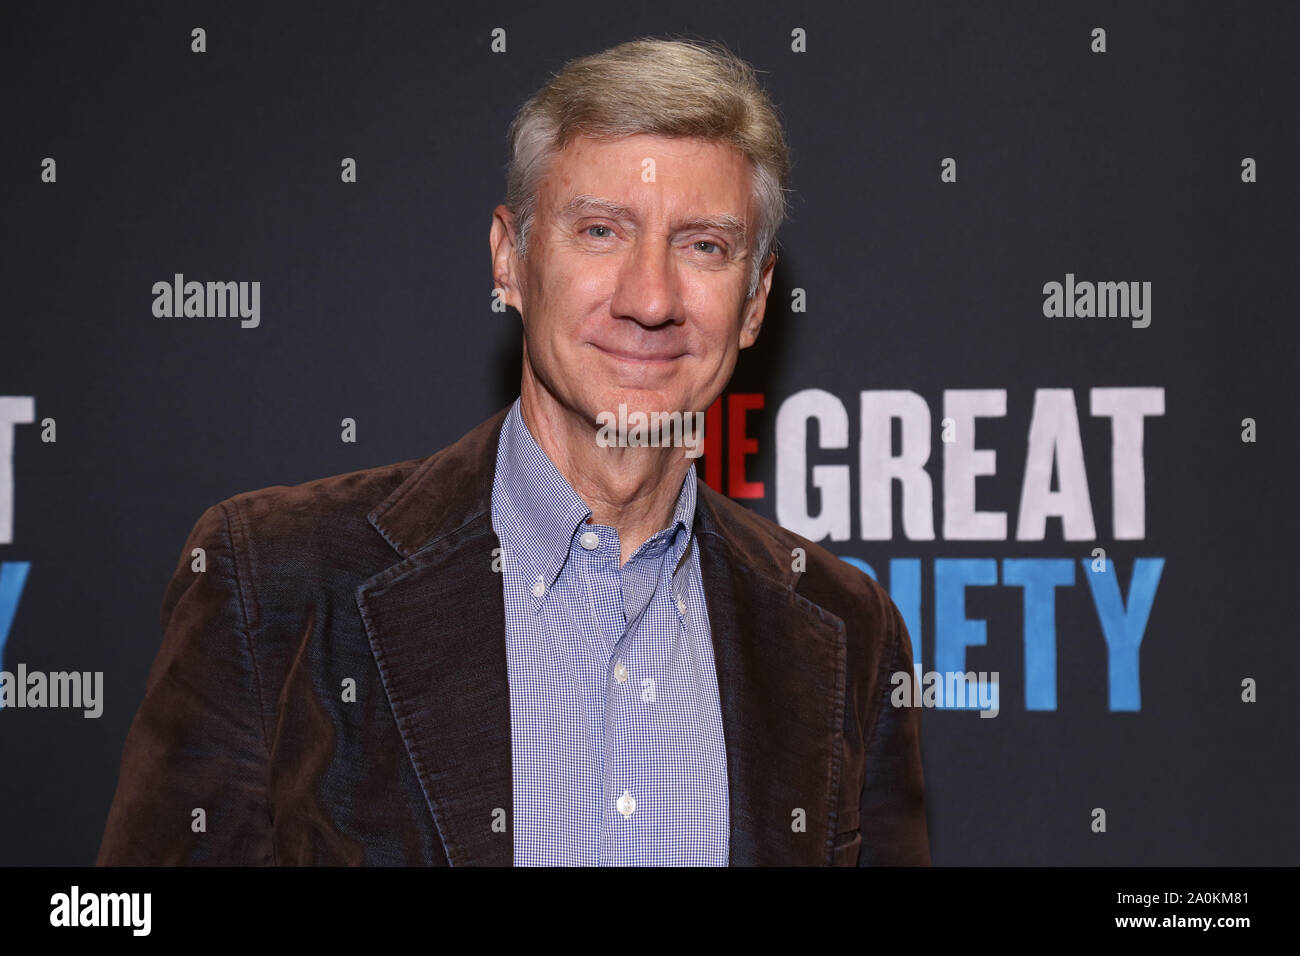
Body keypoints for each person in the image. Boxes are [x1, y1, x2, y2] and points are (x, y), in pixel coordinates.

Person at [97, 36, 930, 866]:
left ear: (754, 304)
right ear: (510, 259)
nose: (650, 299)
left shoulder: (844, 630)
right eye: (601, 231)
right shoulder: (275, 580)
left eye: (703, 245)